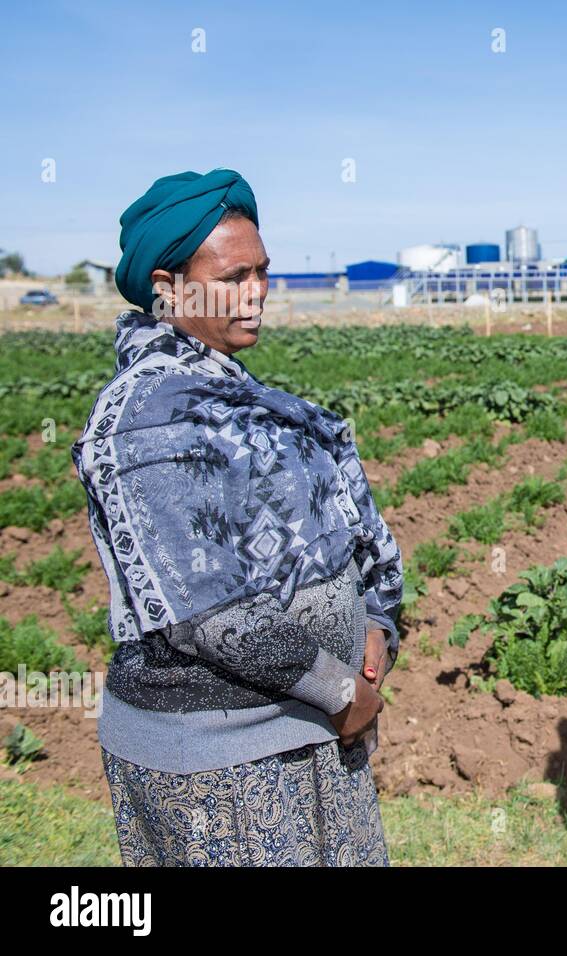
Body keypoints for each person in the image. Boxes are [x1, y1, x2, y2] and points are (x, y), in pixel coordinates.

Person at [71, 169, 404, 866]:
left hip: (313, 729)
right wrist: (342, 690)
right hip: (220, 762)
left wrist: (376, 625)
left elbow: (352, 535)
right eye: (234, 276)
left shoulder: (242, 395)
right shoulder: (145, 419)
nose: (256, 293)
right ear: (169, 285)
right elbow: (206, 614)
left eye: (263, 272)